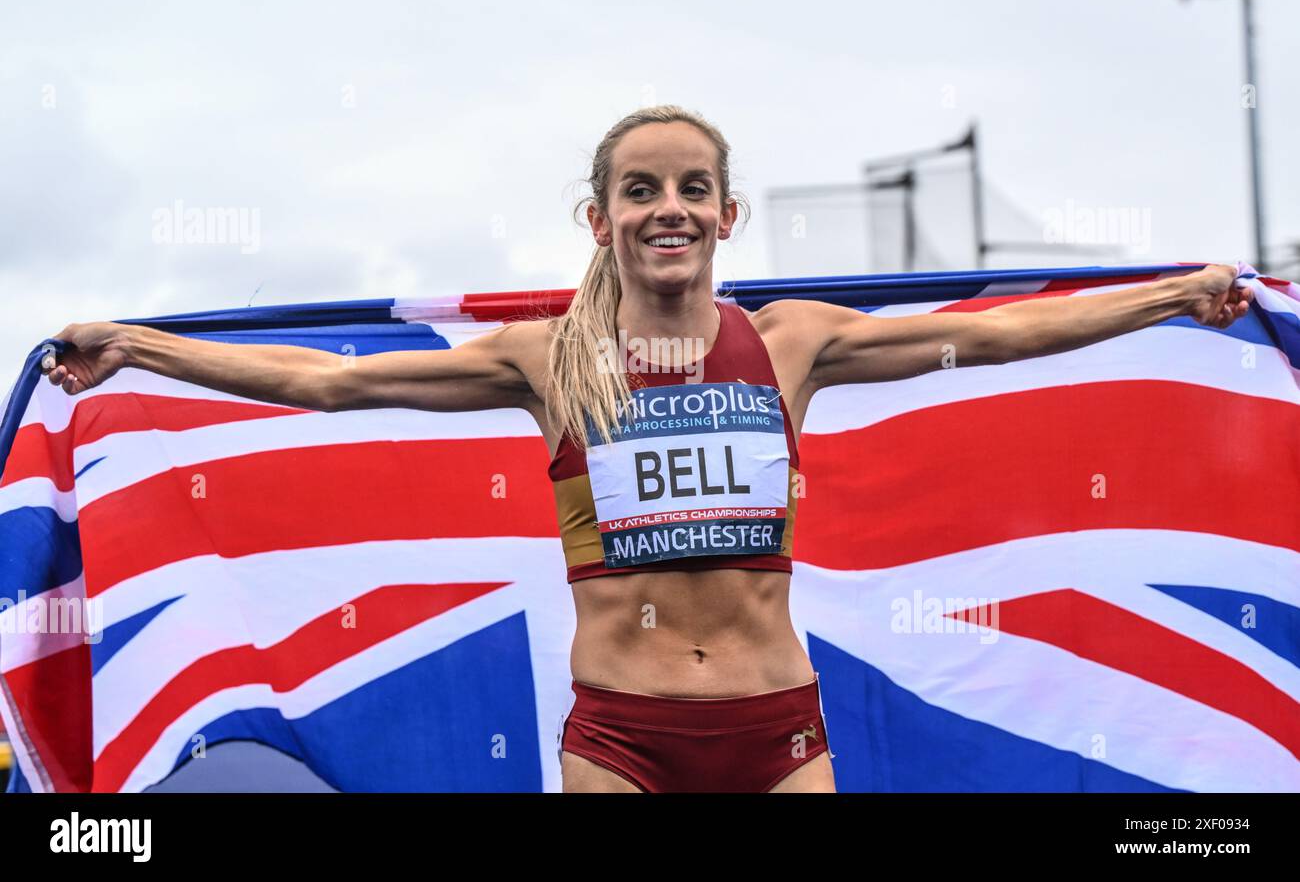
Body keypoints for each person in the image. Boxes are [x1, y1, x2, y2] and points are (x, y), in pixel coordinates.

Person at [41, 105, 1253, 793]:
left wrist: (1162, 297)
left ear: (725, 214)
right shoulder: (543, 359)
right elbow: (323, 381)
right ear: (601, 217)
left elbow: (998, 339)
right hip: (620, 736)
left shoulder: (791, 344)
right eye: (637, 189)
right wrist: (144, 346)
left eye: (688, 187)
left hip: (778, 729)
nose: (664, 206)